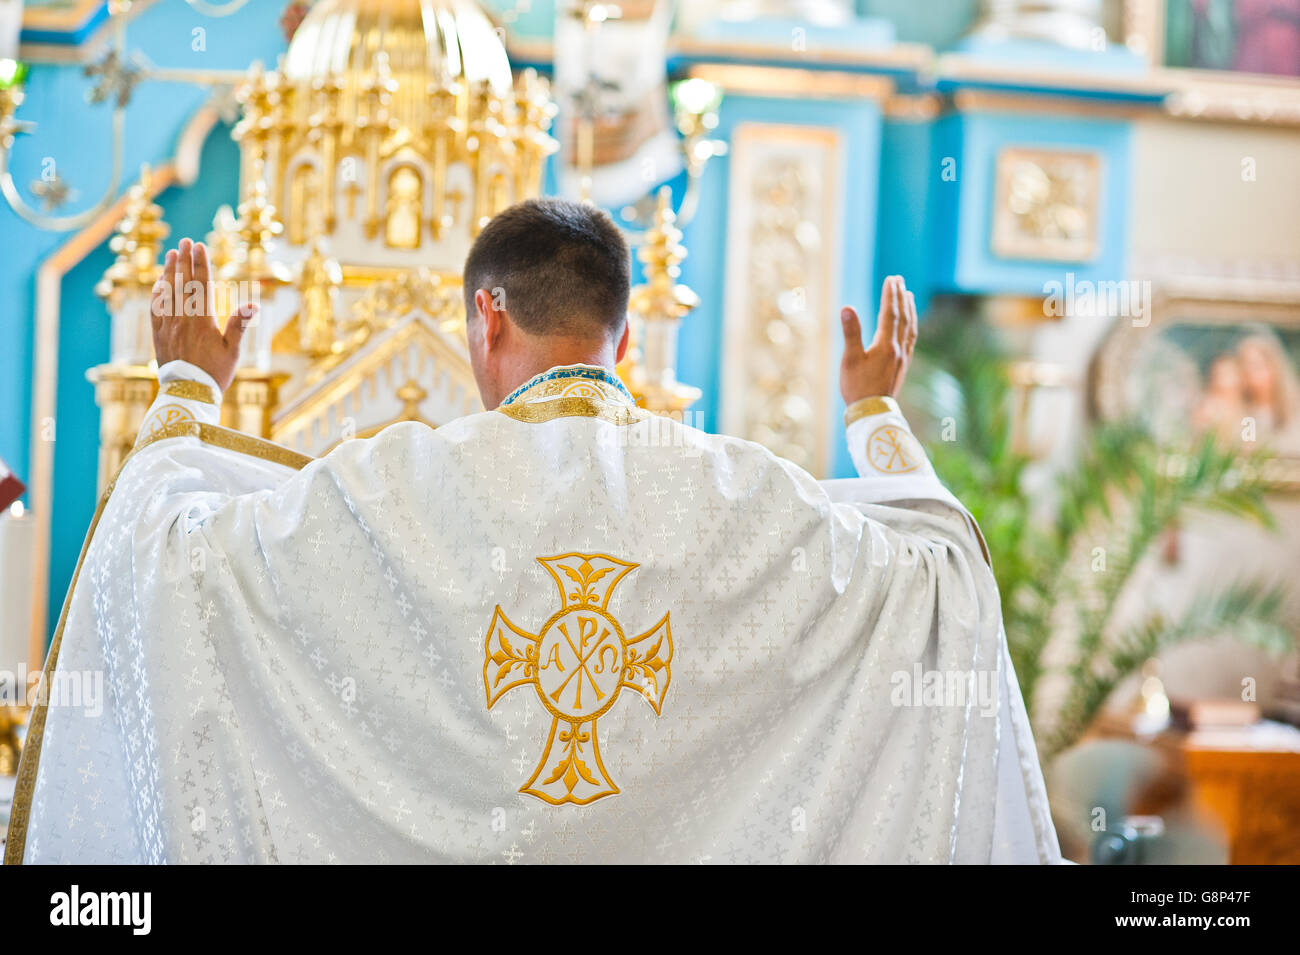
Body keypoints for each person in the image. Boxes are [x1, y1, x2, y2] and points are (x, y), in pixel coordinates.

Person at [5, 198, 1059, 864]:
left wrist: (189, 383)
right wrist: (874, 417)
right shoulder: (749, 497)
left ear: (486, 318)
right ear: (626, 334)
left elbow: (163, 554)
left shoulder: (386, 486)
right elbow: (939, 572)